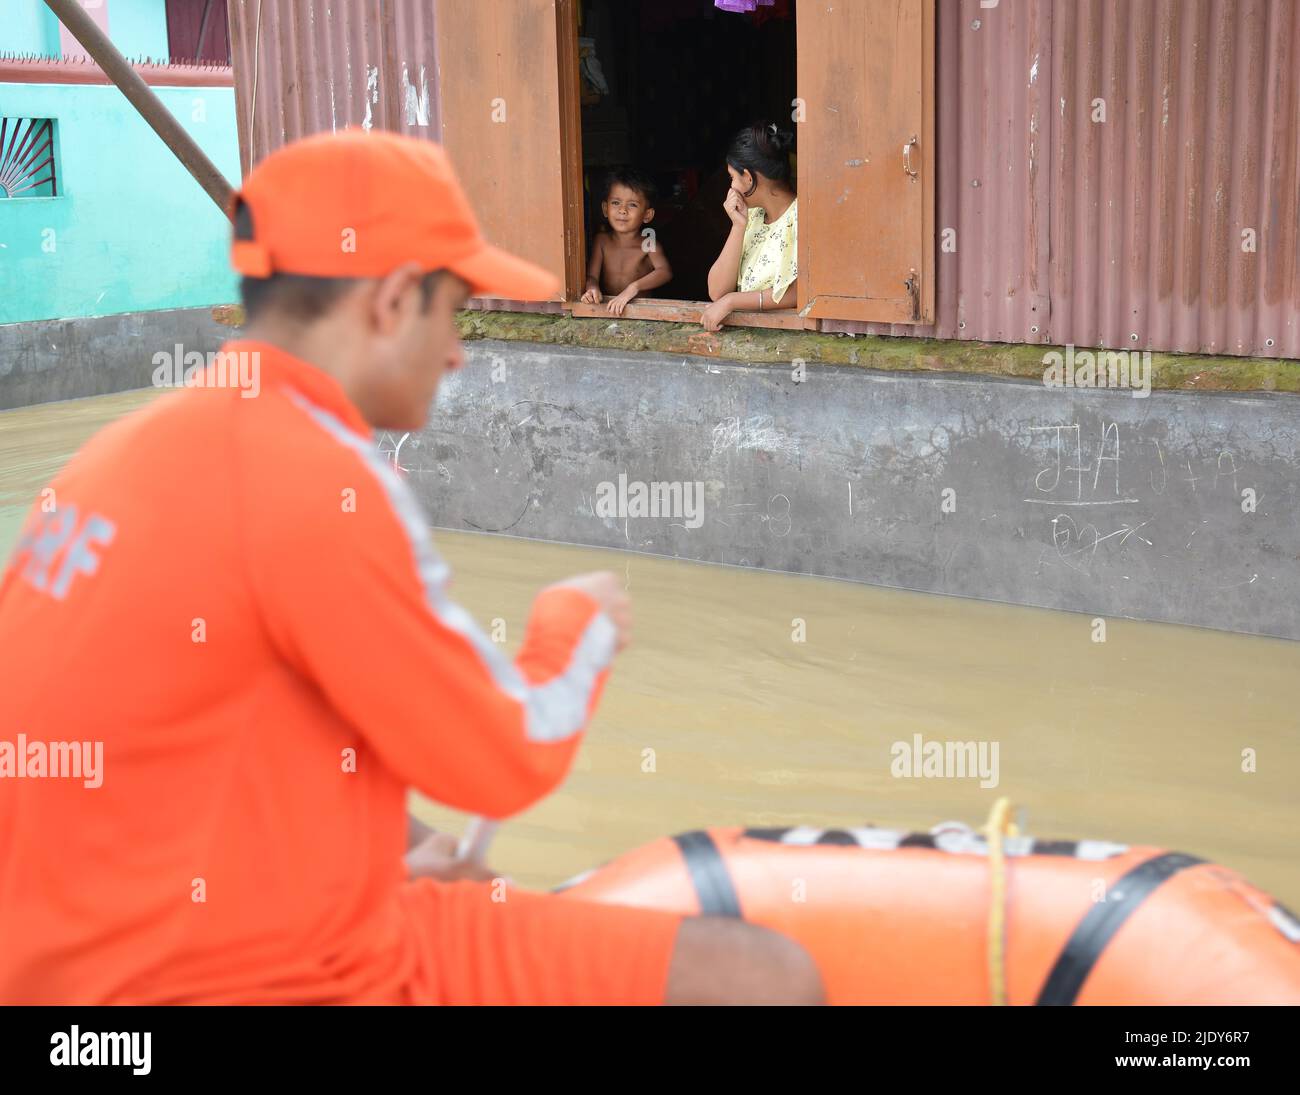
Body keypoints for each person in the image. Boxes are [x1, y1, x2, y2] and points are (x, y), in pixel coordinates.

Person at [0, 129, 822, 1006]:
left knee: (437, 866)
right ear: (393, 303)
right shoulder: (323, 479)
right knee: (765, 976)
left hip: (75, 975)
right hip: (247, 969)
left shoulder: (107, 462)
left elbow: (219, 739)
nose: (459, 350)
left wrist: (396, 843)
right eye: (453, 309)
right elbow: (507, 754)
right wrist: (573, 626)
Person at [703, 121, 798, 331]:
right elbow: (717, 292)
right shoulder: (753, 217)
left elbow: (797, 292)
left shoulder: (801, 218)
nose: (731, 186)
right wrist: (738, 227)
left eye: (732, 177)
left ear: (748, 177)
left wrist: (732, 301)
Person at [581, 167, 673, 315]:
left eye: (632, 204)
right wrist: (592, 288)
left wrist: (633, 288)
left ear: (647, 215)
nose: (622, 210)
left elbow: (665, 272)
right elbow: (592, 276)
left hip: (641, 312)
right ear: (605, 208)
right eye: (616, 203)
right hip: (608, 310)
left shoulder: (649, 244)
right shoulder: (602, 241)